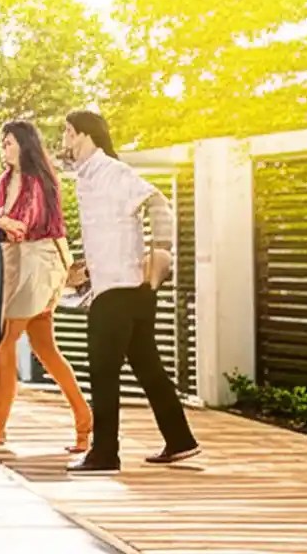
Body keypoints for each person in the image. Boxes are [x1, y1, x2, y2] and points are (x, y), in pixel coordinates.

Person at [61, 110, 201, 475]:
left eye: (68, 133)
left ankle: (105, 454)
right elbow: (112, 233)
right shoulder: (88, 177)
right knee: (148, 366)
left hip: (121, 292)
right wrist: (89, 268)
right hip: (120, 288)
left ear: (84, 135)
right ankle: (180, 440)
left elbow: (160, 206)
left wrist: (159, 263)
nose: (65, 141)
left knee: (103, 373)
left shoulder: (112, 172)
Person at [0, 120, 92, 454]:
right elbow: (8, 227)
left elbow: (23, 227)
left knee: (6, 341)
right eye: (3, 142)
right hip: (17, 265)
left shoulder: (38, 182)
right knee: (45, 349)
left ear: (26, 145)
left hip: (40, 264)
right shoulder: (6, 180)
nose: (5, 146)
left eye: (11, 141)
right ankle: (85, 421)